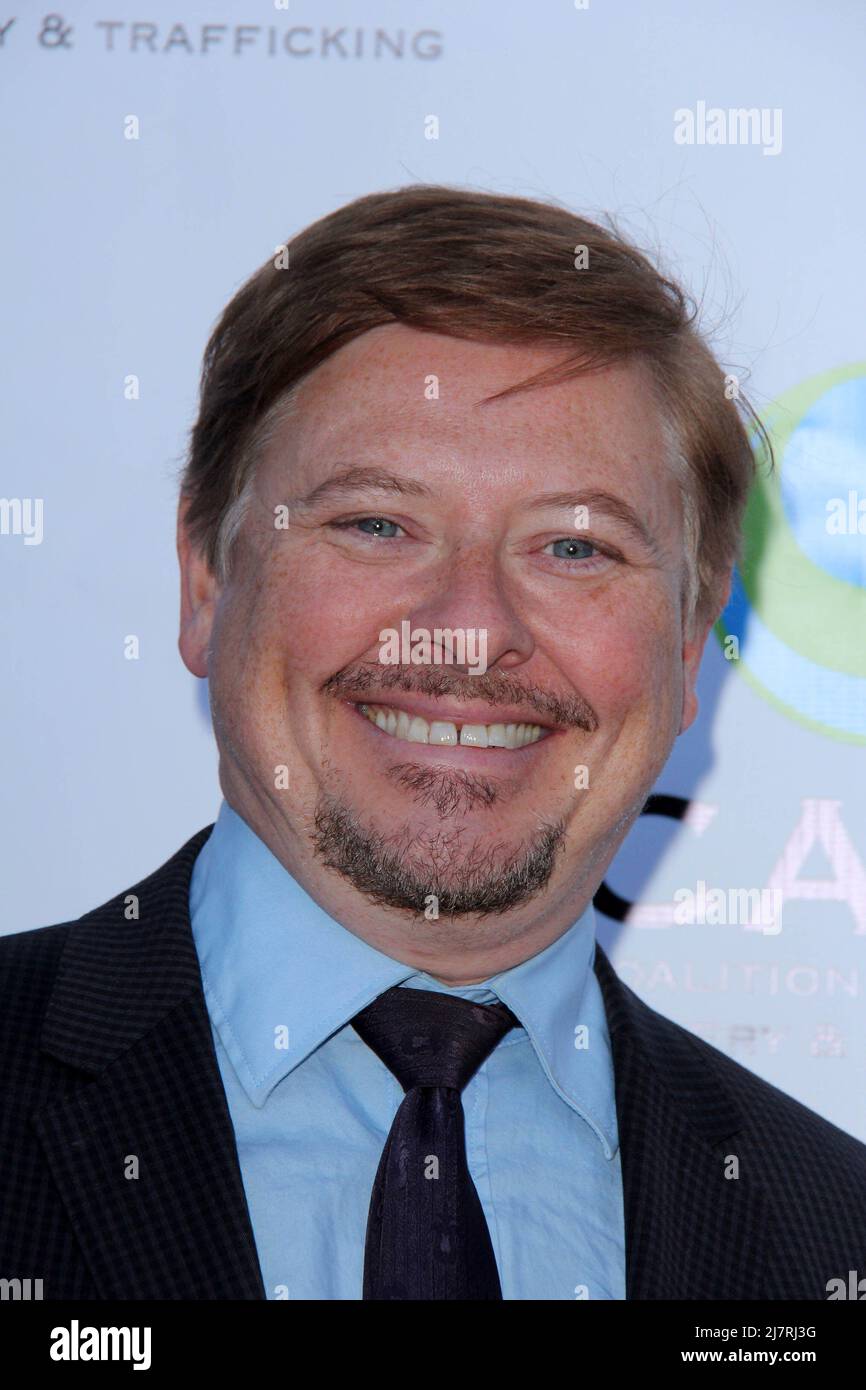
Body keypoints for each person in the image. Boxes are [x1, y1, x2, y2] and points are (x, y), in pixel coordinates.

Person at [3, 185, 865, 1301]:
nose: (467, 629)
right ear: (206, 579)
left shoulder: (829, 1235)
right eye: (374, 524)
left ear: (692, 642)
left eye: (573, 546)